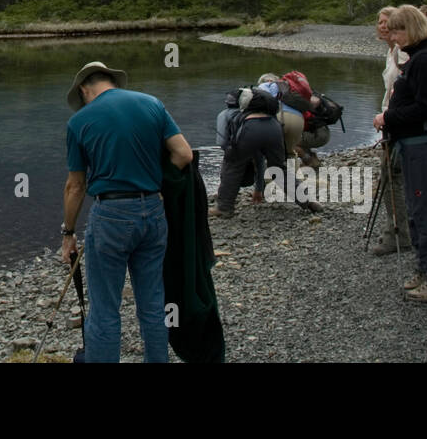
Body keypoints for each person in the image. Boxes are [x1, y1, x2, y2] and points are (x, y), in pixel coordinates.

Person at [61, 61, 193, 362]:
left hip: (111, 216)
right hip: (153, 212)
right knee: (152, 302)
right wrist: (159, 184)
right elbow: (183, 154)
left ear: (84, 89)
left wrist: (68, 233)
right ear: (112, 81)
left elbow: (75, 186)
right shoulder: (152, 104)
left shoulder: (80, 122)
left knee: (105, 307)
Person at [372, 5, 427, 302]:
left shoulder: (426, 61)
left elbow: (425, 107)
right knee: (415, 210)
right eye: (391, 30)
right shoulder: (418, 57)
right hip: (412, 146)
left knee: (425, 214)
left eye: (397, 30)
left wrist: (388, 119)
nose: (392, 36)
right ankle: (424, 271)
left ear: (412, 28)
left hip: (424, 147)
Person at [371, 7, 411, 255]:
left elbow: (404, 91)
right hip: (391, 121)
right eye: (380, 22)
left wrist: (388, 117)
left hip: (397, 124)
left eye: (388, 23)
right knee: (392, 177)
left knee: (391, 178)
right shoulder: (391, 52)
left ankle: (398, 235)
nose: (382, 26)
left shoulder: (403, 54)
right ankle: (401, 231)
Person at [212, 84, 286, 217]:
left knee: (232, 167)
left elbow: (222, 143)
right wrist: (258, 189)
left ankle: (224, 208)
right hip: (274, 128)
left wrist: (232, 153)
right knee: (279, 168)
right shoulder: (264, 111)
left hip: (251, 130)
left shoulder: (225, 114)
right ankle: (308, 202)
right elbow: (259, 160)